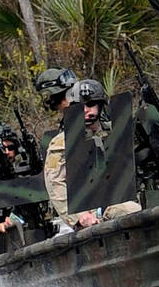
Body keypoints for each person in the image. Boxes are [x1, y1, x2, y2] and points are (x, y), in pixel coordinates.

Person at [42, 75, 142, 229]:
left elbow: (145, 128)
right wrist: (78, 217)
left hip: (130, 195)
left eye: (91, 104)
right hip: (93, 209)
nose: (86, 110)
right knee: (130, 210)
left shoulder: (115, 131)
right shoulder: (62, 142)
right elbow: (55, 184)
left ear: (100, 106)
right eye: (80, 105)